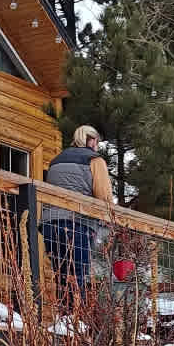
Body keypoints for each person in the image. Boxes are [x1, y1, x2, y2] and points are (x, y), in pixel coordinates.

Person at [41, 125, 115, 298]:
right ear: (92, 140)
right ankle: (76, 322)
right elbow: (104, 197)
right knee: (78, 277)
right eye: (97, 142)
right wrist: (111, 223)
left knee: (61, 278)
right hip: (78, 224)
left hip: (50, 224)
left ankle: (63, 321)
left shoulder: (55, 161)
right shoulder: (94, 160)